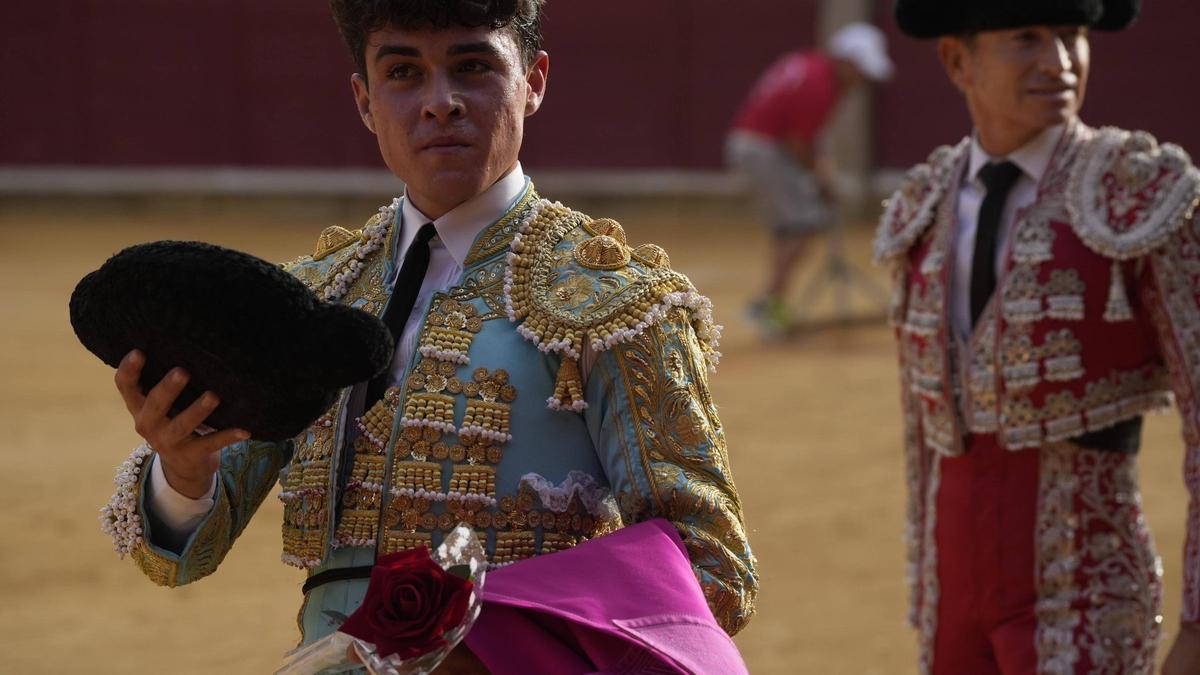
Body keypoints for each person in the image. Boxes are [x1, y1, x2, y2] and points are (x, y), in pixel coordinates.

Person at [101, 0, 757, 669]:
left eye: (472, 67)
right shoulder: (310, 296)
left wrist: (501, 639)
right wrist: (183, 471)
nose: (440, 102)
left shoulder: (617, 300)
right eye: (404, 72)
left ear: (533, 80)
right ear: (364, 99)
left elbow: (708, 566)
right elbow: (181, 555)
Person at [875, 0, 1200, 673]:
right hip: (953, 598)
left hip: (1086, 589)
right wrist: (929, 594)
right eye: (1026, 38)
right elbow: (920, 432)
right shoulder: (924, 201)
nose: (1060, 61)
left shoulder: (1140, 193)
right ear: (957, 60)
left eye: (1072, 36)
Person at [727, 21, 893, 336]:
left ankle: (771, 302)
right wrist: (821, 181)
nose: (862, 81)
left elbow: (805, 137)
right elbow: (798, 142)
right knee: (801, 224)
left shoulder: (809, 65)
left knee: (794, 224)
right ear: (846, 61)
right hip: (765, 149)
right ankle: (768, 305)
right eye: (861, 71)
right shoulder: (821, 84)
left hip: (758, 145)